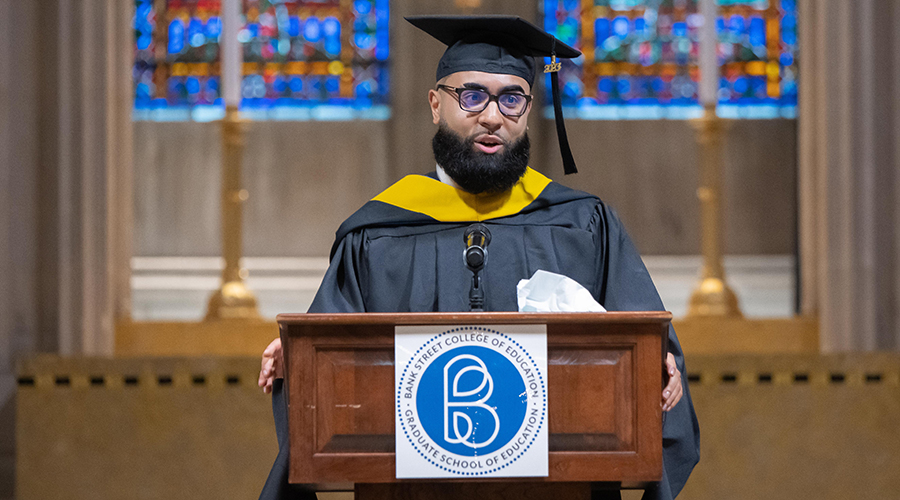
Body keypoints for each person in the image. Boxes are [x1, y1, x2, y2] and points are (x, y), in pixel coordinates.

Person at [257, 15, 699, 500]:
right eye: (472, 96)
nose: (493, 116)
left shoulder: (582, 226)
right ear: (435, 104)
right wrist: (300, 356)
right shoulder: (377, 233)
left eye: (512, 98)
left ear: (528, 110)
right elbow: (327, 376)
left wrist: (657, 364)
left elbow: (649, 356)